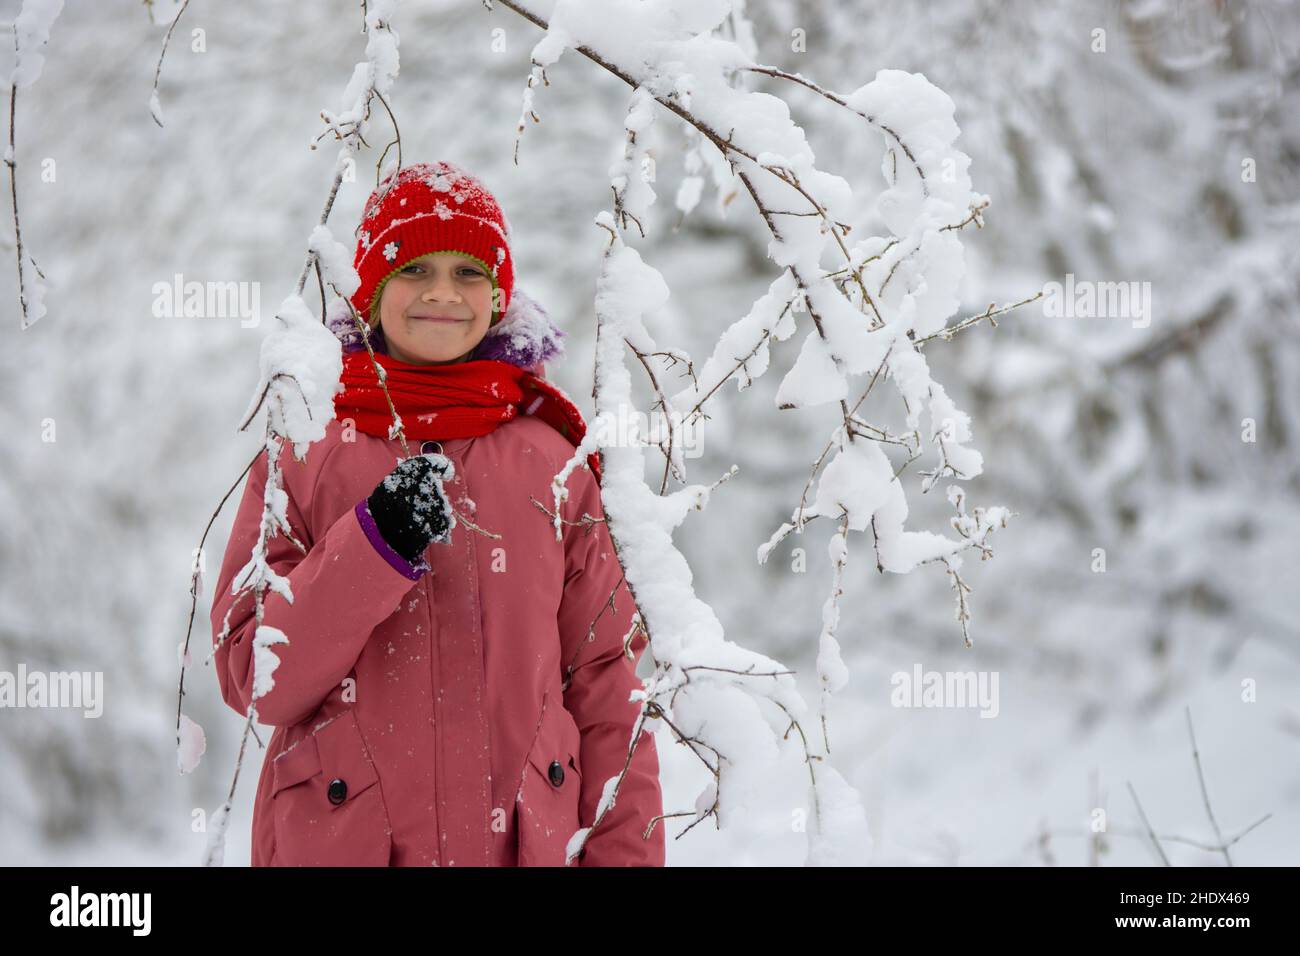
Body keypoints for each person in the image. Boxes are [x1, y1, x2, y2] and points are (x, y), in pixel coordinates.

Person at [209, 160, 665, 867]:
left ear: (498, 291)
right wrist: (370, 548)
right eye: (414, 270)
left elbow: (607, 683)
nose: (443, 295)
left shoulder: (553, 460)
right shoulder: (304, 446)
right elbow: (254, 678)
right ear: (372, 288)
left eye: (468, 273)